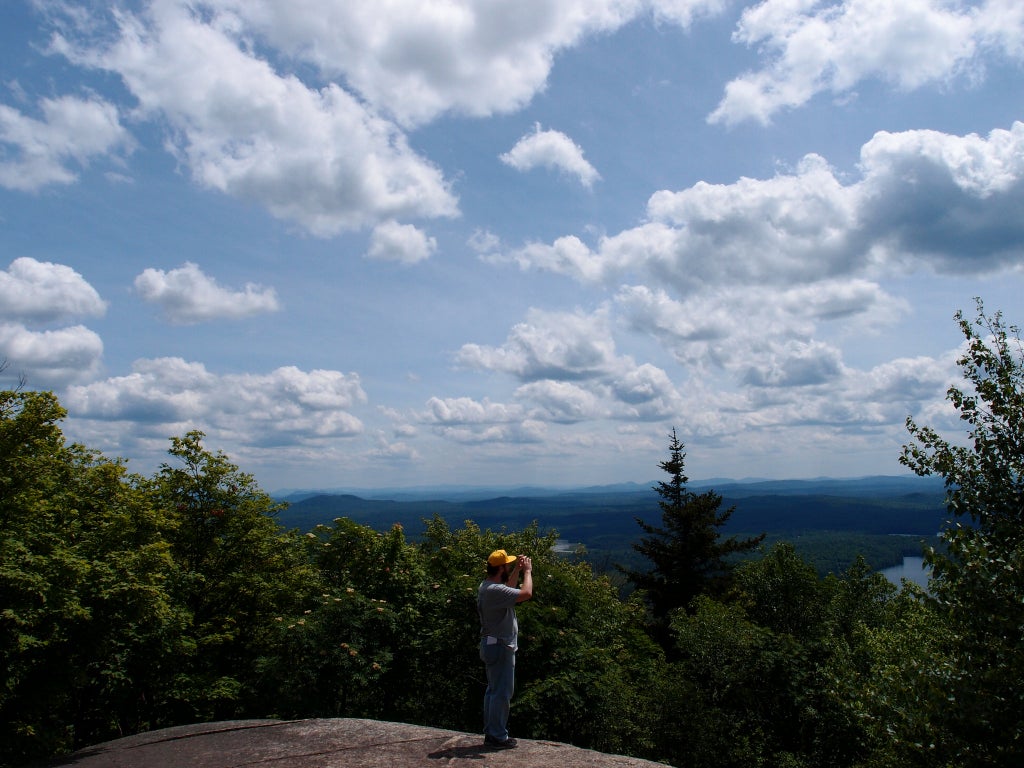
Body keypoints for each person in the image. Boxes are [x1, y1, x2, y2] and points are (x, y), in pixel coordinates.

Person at [477, 549, 533, 749]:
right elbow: (526, 593)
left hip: (492, 645)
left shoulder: (488, 587)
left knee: (493, 690)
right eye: (507, 565)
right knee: (502, 692)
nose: (509, 567)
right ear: (500, 568)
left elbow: (508, 590)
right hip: (501, 646)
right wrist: (527, 571)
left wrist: (516, 570)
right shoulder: (494, 590)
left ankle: (492, 732)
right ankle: (498, 736)